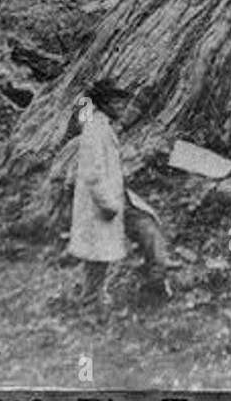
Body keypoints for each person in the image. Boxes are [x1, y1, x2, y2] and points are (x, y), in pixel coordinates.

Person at [68, 101, 171, 310]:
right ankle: (91, 303)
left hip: (121, 199)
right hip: (99, 205)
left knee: (149, 229)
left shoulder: (107, 134)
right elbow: (80, 179)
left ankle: (155, 282)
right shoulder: (84, 142)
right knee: (98, 254)